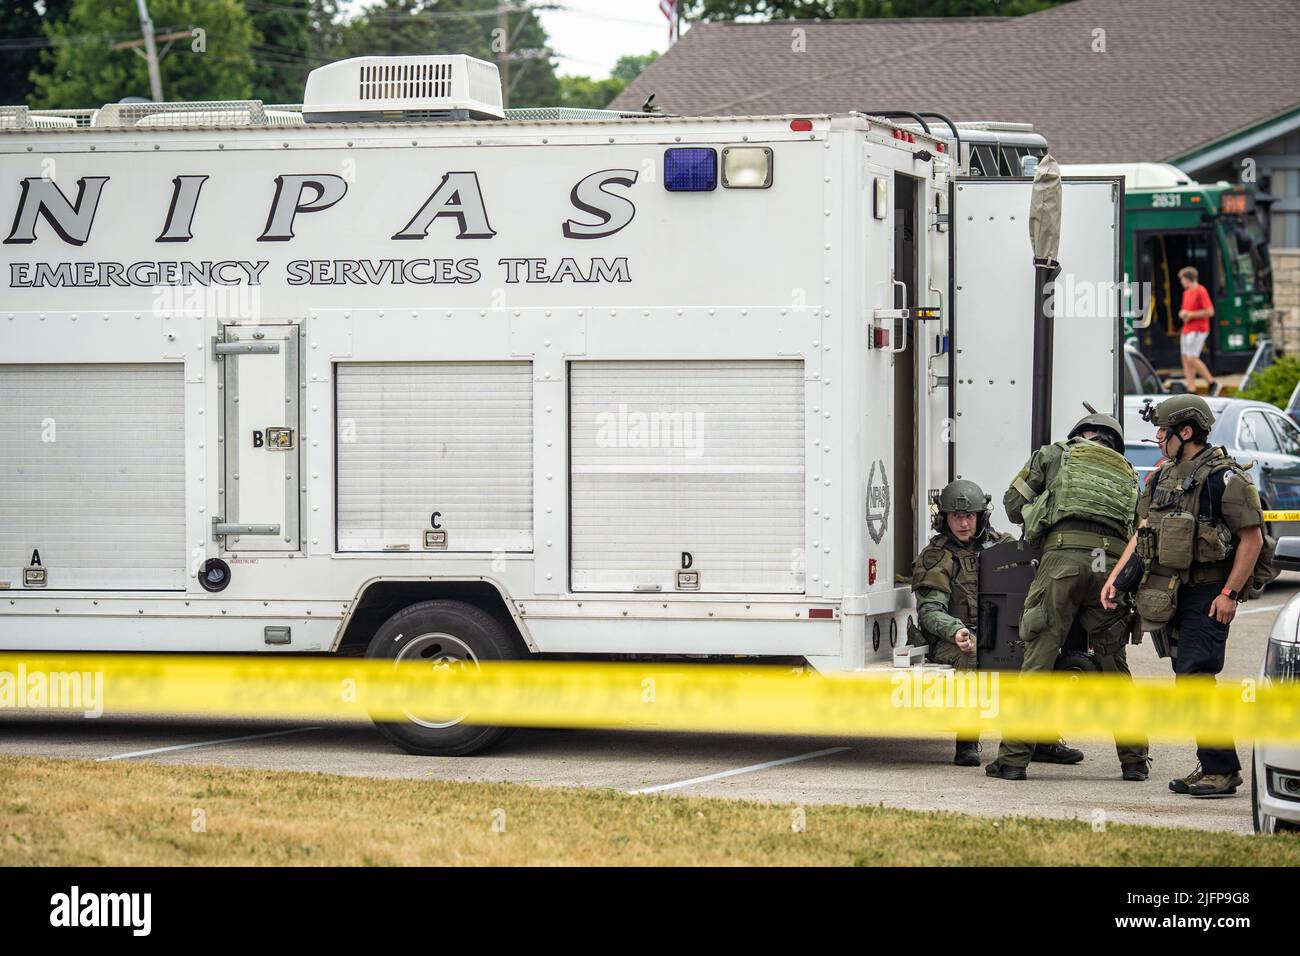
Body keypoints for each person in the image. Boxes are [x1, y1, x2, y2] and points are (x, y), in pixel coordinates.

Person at [1102, 395, 1263, 798]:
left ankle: (1221, 771)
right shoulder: (1162, 476)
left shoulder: (1225, 479)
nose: (1158, 437)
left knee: (1195, 676)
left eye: (1163, 430)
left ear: (1185, 432)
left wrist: (1229, 594)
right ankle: (1212, 765)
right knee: (1188, 676)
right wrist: (1116, 579)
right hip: (1171, 591)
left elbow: (1252, 539)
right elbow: (1144, 531)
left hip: (1208, 592)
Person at [985, 411, 1151, 782]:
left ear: (1081, 434)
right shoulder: (1127, 473)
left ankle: (1013, 761)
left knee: (1038, 659)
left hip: (1063, 559)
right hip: (1110, 568)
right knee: (1113, 664)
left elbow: (1013, 504)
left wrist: (1040, 511)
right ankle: (1135, 761)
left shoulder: (1055, 453)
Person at [911, 479, 1013, 766]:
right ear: (945, 518)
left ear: (981, 516)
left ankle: (1035, 740)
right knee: (972, 656)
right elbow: (930, 611)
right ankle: (967, 740)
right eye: (956, 516)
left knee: (1035, 657)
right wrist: (956, 630)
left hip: (998, 634)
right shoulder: (937, 557)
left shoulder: (1002, 547)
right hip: (952, 642)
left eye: (969, 516)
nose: (964, 523)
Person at [1176, 266, 1217, 395]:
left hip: (1199, 329)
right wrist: (1183, 314)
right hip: (1187, 329)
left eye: (1182, 279)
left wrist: (1191, 314)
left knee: (1192, 358)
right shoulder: (1186, 293)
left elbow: (1210, 311)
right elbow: (1185, 310)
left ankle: (1211, 382)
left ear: (1188, 279)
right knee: (1185, 358)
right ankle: (1191, 388)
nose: (1181, 282)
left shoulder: (1201, 291)